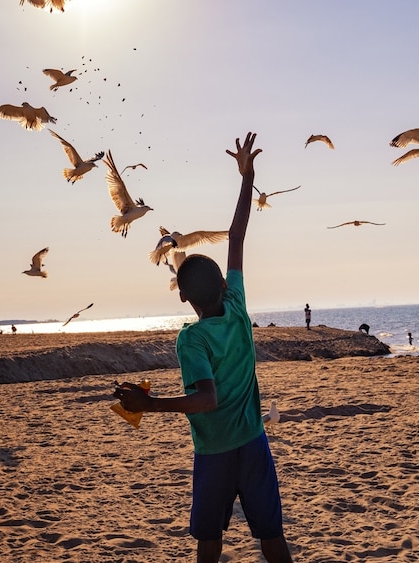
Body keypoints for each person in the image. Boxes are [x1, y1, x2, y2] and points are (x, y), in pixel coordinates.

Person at [114, 132, 292, 563]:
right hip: (253, 445)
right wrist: (247, 176)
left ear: (182, 296)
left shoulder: (191, 339)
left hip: (214, 453)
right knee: (271, 540)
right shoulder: (236, 305)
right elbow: (236, 236)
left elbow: (207, 399)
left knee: (209, 543)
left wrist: (148, 405)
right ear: (224, 286)